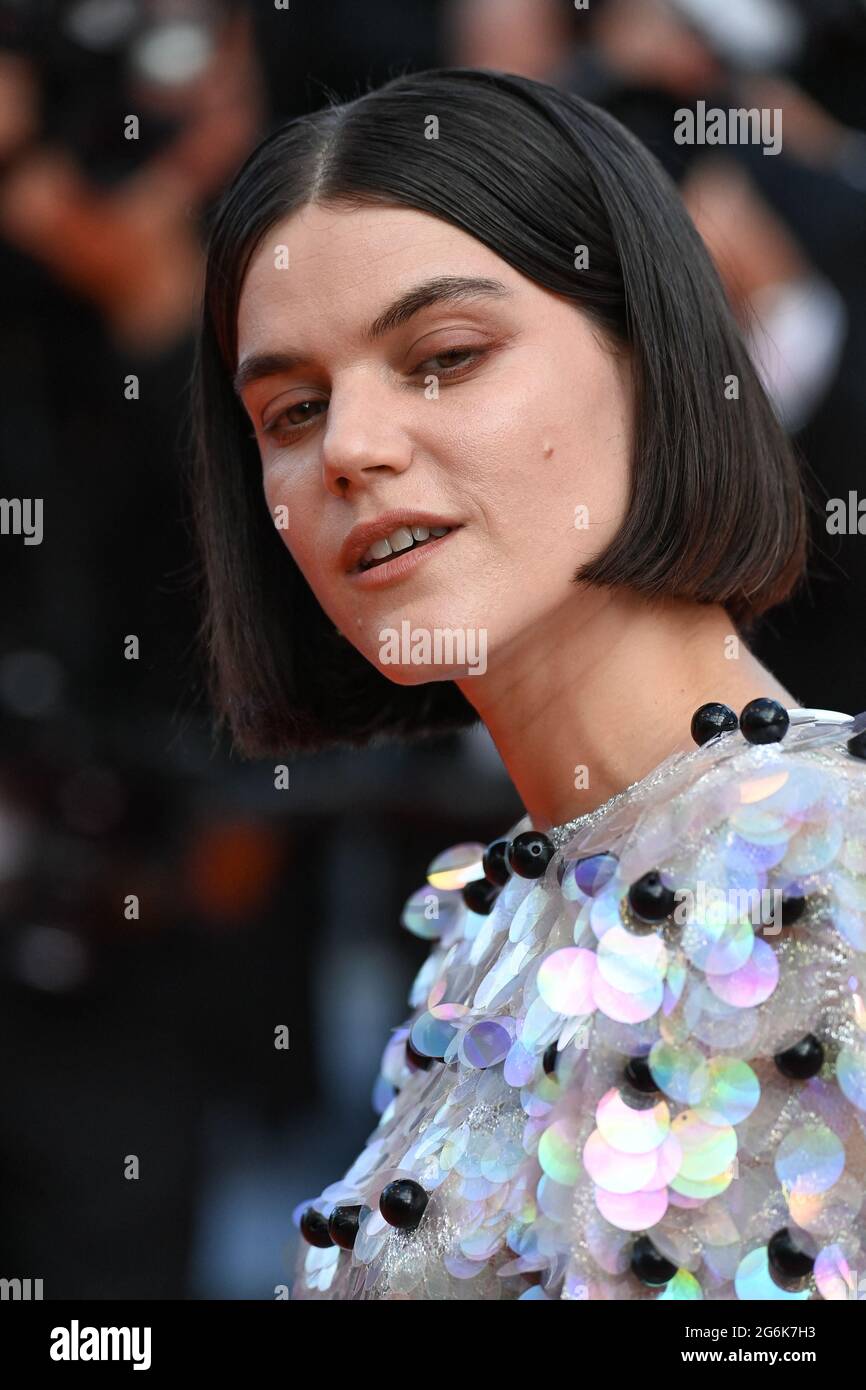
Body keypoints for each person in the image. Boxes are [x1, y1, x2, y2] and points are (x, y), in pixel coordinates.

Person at [189, 68, 866, 1300]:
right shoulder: (486, 929)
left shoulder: (837, 875)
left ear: (653, 356)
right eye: (291, 411)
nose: (350, 447)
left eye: (443, 356)